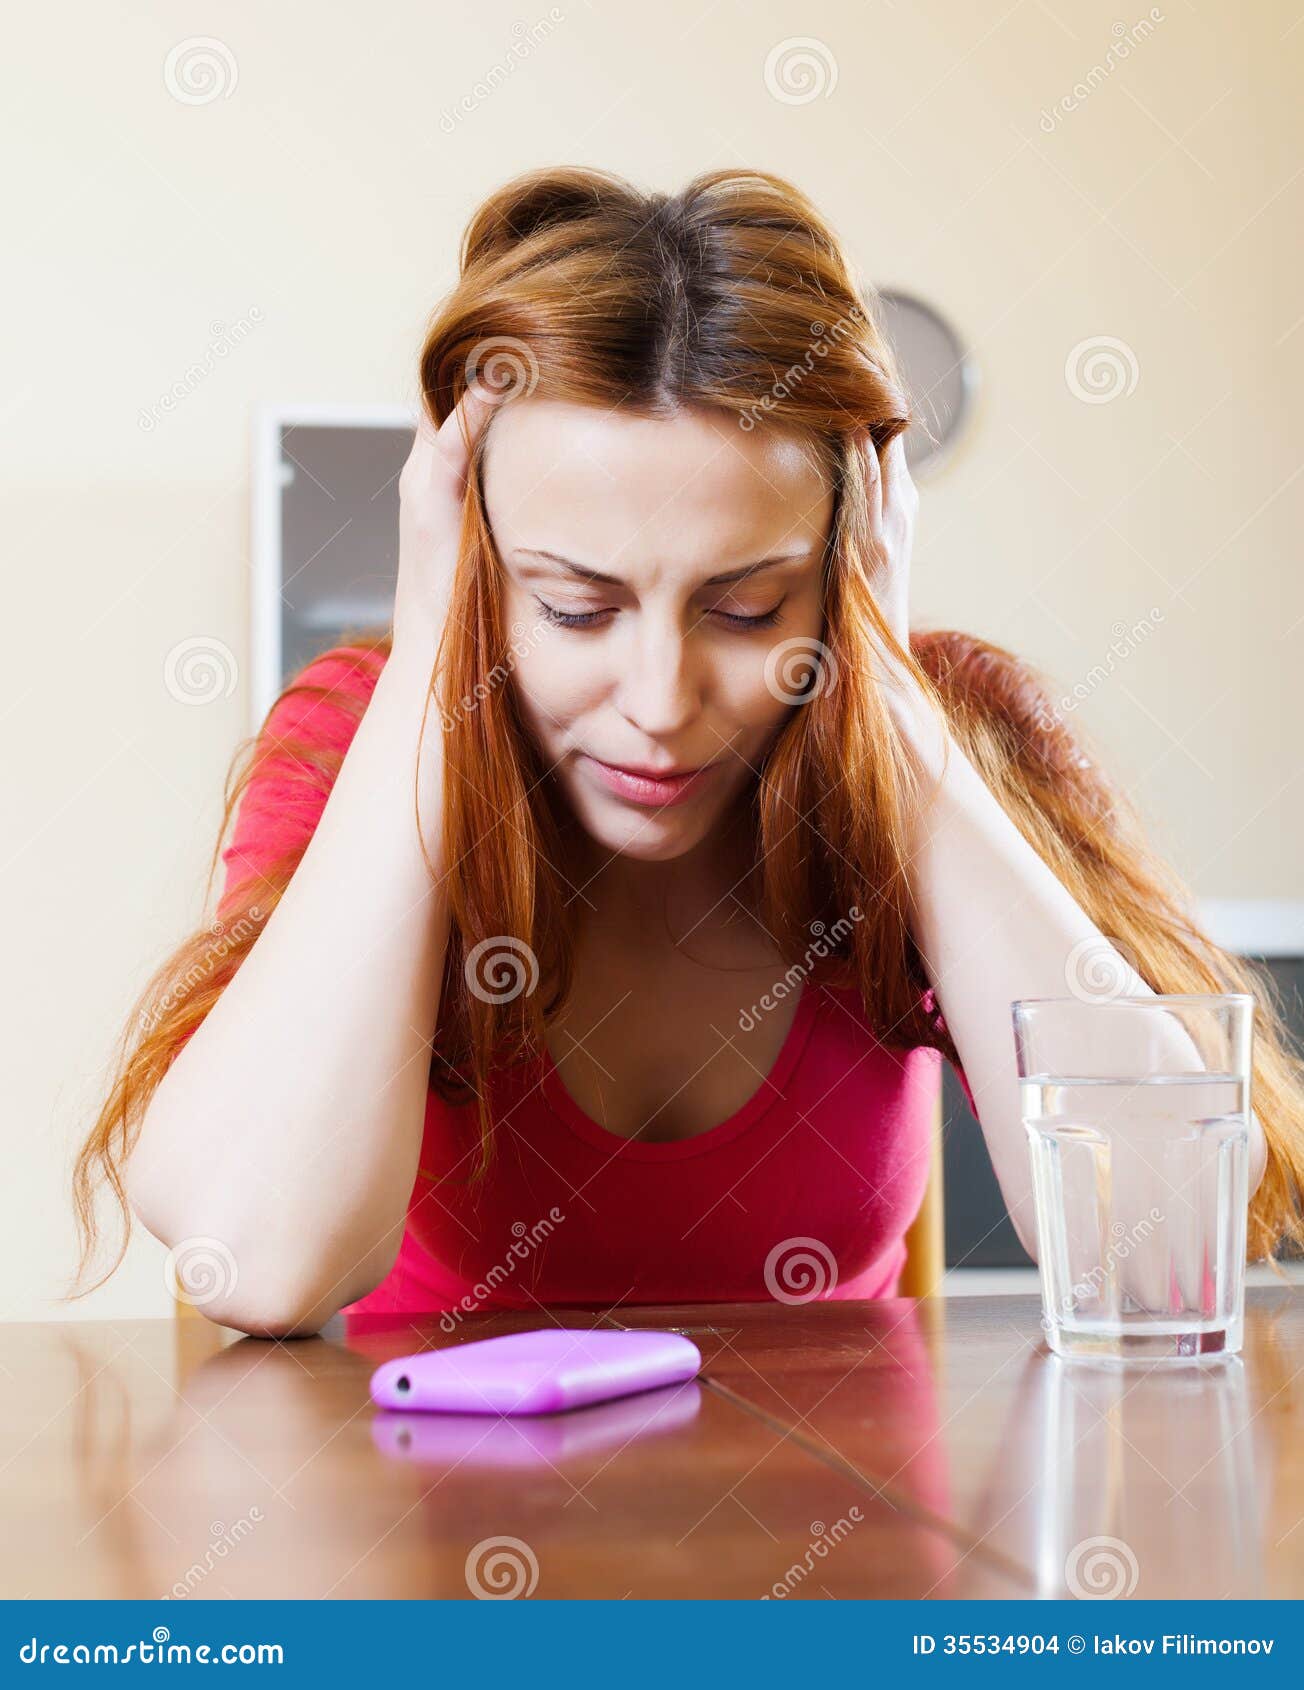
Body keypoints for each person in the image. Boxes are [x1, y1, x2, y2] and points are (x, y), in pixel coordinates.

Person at [70, 166, 1303, 1336]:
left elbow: (1157, 1256)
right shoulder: (359, 739)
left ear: (846, 561)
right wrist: (425, 665)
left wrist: (883, 703)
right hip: (442, 1546)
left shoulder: (934, 728)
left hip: (846, 1548)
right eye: (573, 607)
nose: (659, 702)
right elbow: (259, 1256)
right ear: (474, 569)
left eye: (746, 607)